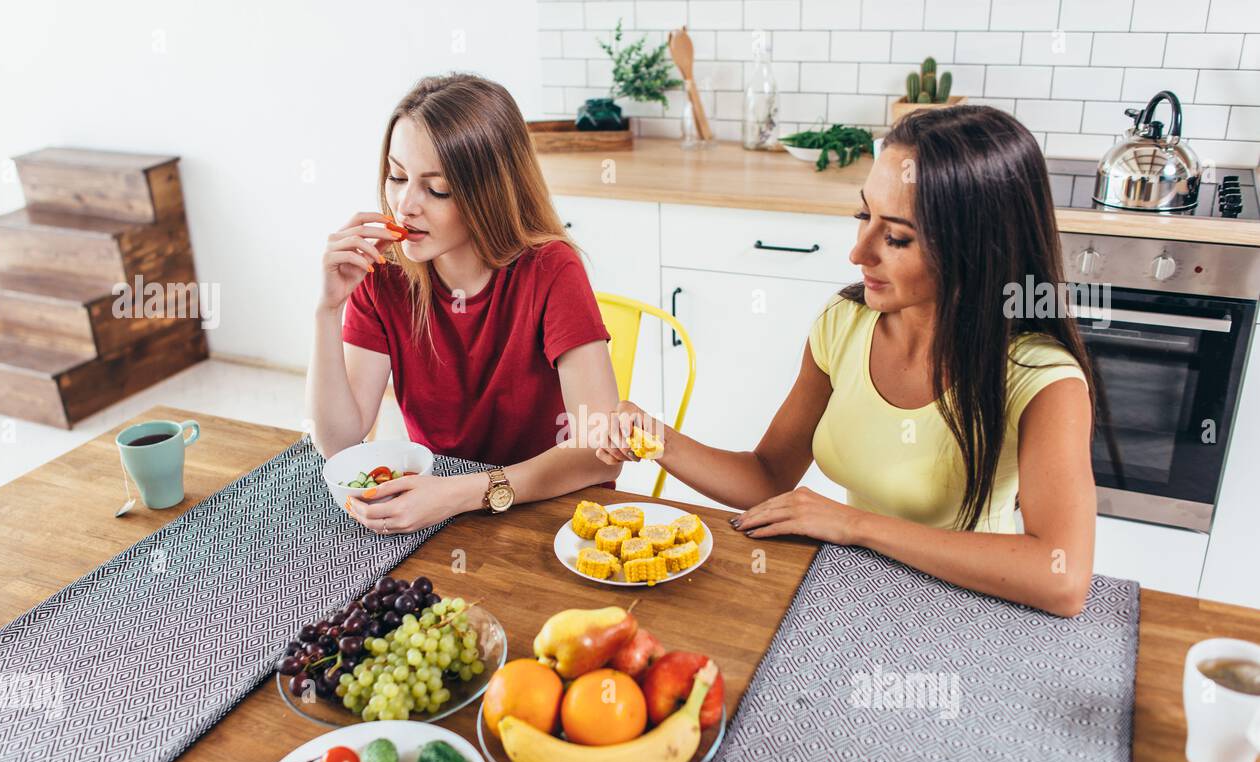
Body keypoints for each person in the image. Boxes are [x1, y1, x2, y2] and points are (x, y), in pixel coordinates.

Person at [599, 106, 1098, 617]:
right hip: (853, 589)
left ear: (973, 247)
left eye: (896, 237)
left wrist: (854, 525)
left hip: (970, 610)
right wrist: (658, 439)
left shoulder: (1041, 378)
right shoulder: (845, 323)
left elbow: (1061, 577)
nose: (859, 253)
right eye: (864, 216)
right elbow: (768, 476)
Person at [306, 74, 621, 533]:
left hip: (545, 512)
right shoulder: (383, 274)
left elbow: (599, 455)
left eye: (436, 189)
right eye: (397, 176)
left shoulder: (552, 269)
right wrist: (327, 310)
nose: (404, 206)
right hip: (440, 512)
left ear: (489, 194)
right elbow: (339, 442)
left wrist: (461, 493)